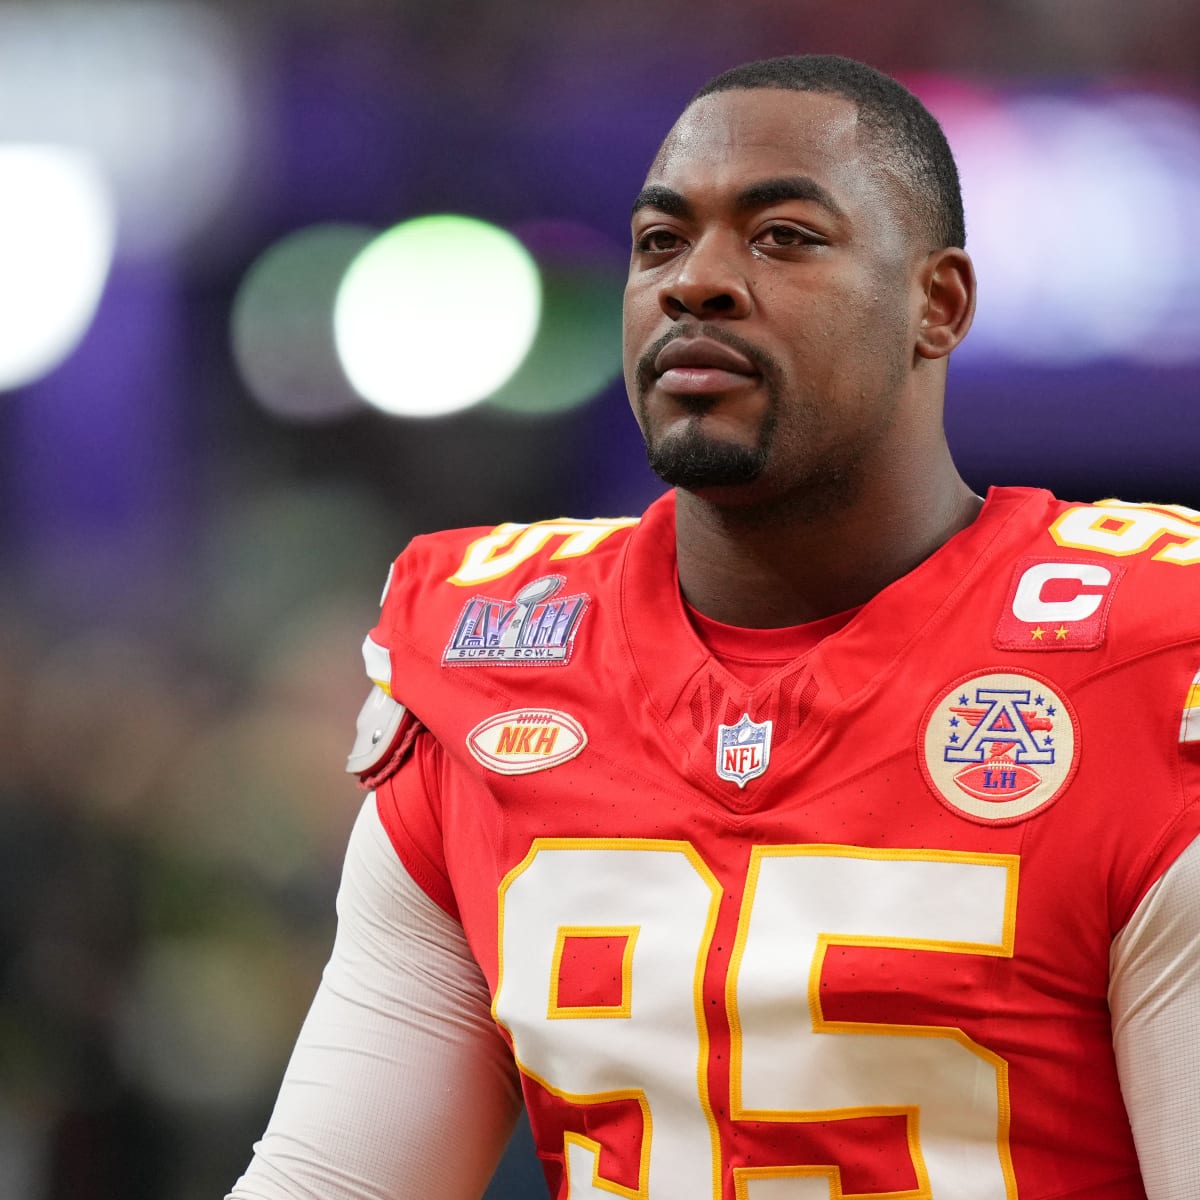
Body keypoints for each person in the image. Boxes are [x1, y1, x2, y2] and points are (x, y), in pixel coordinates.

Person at [227, 55, 1200, 1200]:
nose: (696, 282)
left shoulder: (1150, 654)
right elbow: (332, 1182)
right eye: (660, 241)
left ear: (936, 304)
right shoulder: (488, 657)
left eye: (783, 236)